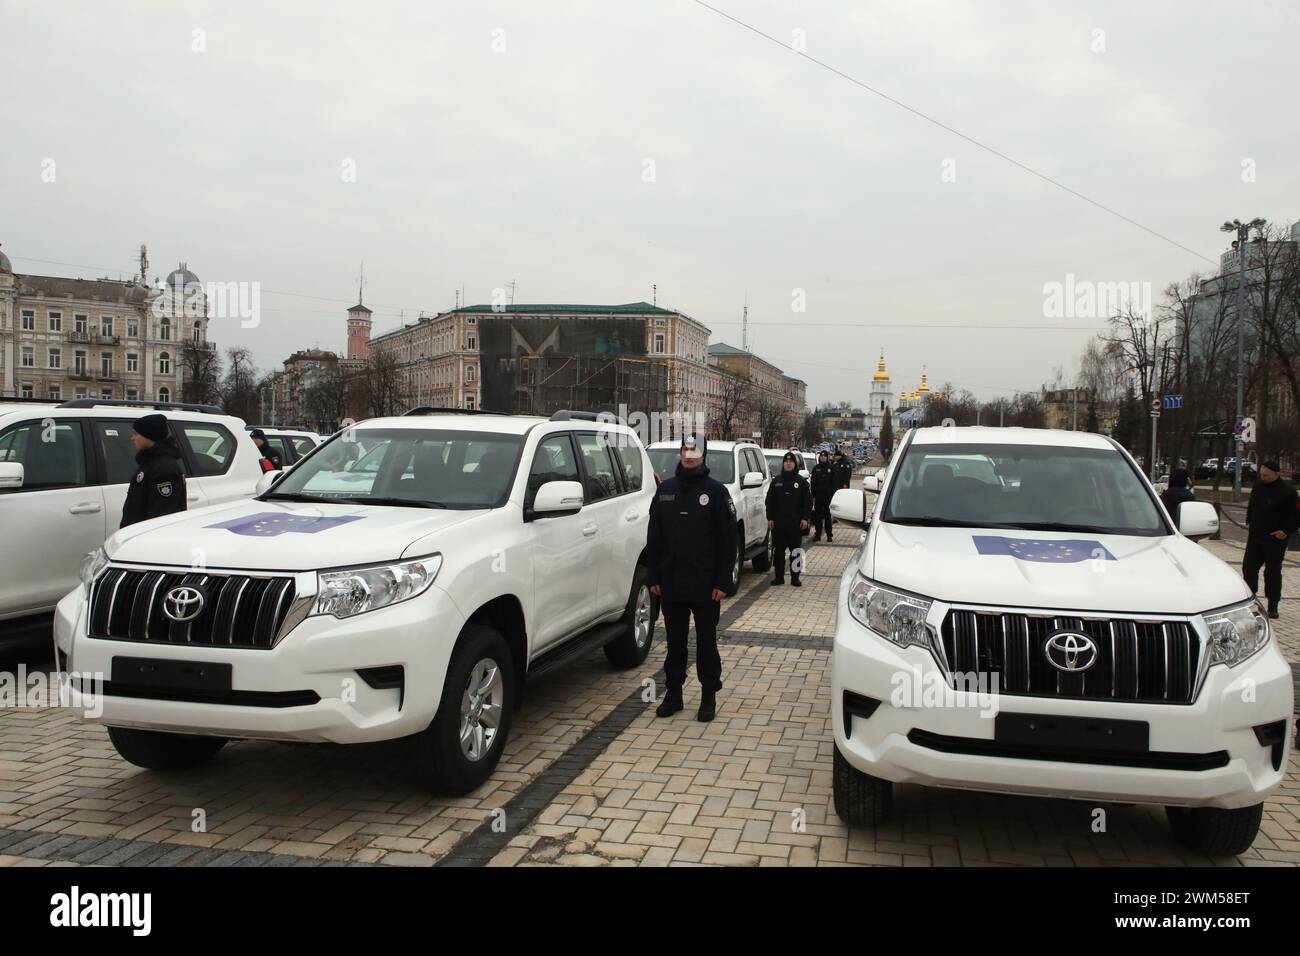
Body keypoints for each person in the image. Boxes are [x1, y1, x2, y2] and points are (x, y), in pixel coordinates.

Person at [646, 432, 736, 722]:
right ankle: (674, 694)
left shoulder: (717, 492)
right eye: (685, 449)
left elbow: (728, 541)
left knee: (706, 643)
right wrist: (654, 576)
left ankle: (709, 695)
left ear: (703, 455)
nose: (689, 455)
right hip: (671, 583)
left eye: (694, 450)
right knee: (675, 643)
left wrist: (723, 581)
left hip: (706, 586)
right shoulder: (665, 491)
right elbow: (654, 538)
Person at [1243, 461, 1300, 619]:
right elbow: (1252, 505)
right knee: (1249, 569)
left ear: (1276, 474)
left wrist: (1286, 531)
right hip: (1255, 535)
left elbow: (1296, 515)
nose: (1263, 477)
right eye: (1261, 475)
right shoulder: (1258, 486)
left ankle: (1273, 605)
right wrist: (1249, 521)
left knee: (1272, 573)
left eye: (1266, 475)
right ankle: (1250, 600)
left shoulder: (1288, 491)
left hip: (1275, 538)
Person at [120, 414, 188, 528]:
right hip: (135, 534)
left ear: (150, 436)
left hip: (146, 538)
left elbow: (162, 515)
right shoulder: (149, 462)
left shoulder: (164, 468)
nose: (132, 438)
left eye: (136, 434)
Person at [766, 451, 812, 586]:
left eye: (791, 461)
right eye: (786, 461)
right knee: (779, 553)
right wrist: (770, 518)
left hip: (795, 525)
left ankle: (795, 578)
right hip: (779, 525)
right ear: (783, 464)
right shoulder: (776, 482)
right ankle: (779, 577)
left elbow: (808, 502)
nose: (788, 463)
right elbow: (770, 501)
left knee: (796, 552)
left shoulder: (801, 482)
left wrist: (805, 518)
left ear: (795, 464)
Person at [810, 450, 837, 542]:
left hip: (828, 497)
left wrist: (833, 495)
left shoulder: (831, 468)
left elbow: (834, 483)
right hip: (818, 497)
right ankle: (818, 534)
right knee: (818, 517)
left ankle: (829, 535)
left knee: (827, 517)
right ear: (820, 457)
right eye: (822, 456)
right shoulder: (816, 468)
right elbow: (812, 483)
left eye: (825, 456)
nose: (823, 457)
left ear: (827, 457)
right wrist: (813, 495)